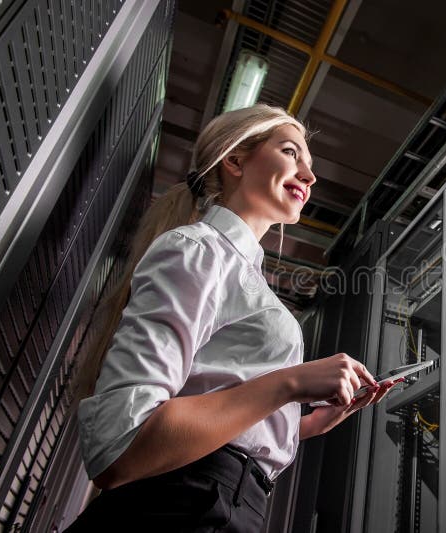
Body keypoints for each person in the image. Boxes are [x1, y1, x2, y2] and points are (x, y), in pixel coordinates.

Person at [65, 104, 395, 532]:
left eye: (310, 165)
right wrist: (290, 383)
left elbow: (215, 403)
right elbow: (119, 447)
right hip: (181, 504)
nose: (310, 177)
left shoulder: (240, 271)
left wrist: (305, 423)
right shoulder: (199, 251)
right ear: (236, 160)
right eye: (292, 152)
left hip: (223, 503)